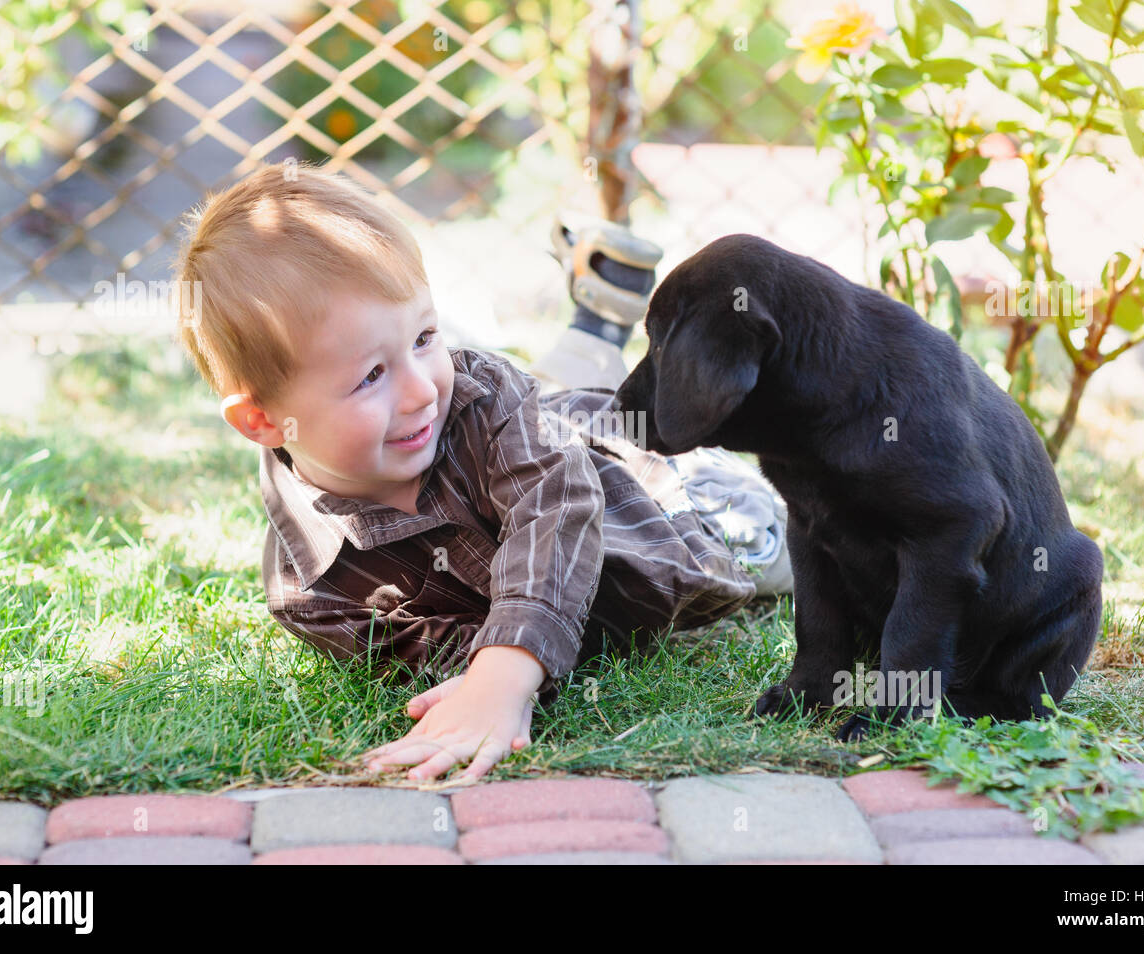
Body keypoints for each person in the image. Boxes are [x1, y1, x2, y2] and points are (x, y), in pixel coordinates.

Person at [172, 161, 793, 783]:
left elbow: (554, 507)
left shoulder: (474, 396)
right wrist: (482, 687)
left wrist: (506, 672)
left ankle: (595, 332)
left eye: (424, 337)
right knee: (548, 399)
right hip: (555, 421)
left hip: (674, 497)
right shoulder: (312, 592)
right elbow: (446, 665)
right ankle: (595, 326)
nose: (419, 392)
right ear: (261, 419)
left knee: (791, 536)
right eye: (370, 376)